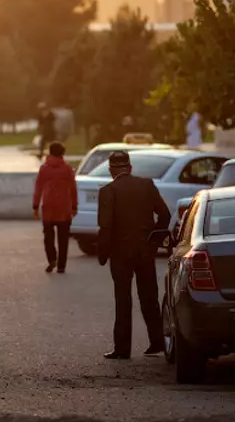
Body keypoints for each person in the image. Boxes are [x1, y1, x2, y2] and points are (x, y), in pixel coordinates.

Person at [97, 149, 170, 360]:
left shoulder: (108, 191)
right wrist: (154, 242)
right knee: (149, 297)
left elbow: (105, 226)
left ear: (111, 170)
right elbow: (165, 215)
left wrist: (103, 254)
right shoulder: (147, 185)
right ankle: (157, 342)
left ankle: (122, 348)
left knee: (123, 299)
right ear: (130, 168)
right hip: (145, 251)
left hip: (120, 253)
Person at [33, 141, 78, 273]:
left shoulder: (44, 168)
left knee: (48, 237)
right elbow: (73, 189)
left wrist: (35, 206)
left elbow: (38, 188)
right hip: (64, 207)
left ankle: (52, 259)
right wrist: (74, 206)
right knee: (63, 238)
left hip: (48, 207)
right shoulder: (67, 168)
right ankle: (61, 266)